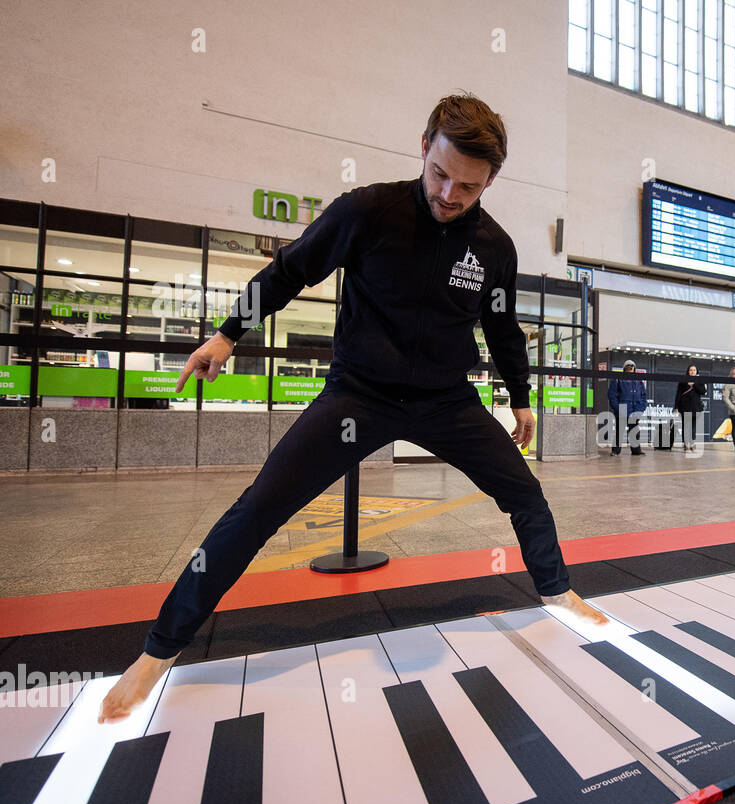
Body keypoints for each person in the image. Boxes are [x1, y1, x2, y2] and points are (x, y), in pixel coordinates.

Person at [100, 94, 610, 723]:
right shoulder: (369, 210)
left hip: (446, 401)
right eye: (440, 175)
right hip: (358, 396)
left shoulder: (494, 247)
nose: (450, 194)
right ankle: (159, 650)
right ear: (424, 148)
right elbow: (289, 270)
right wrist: (229, 333)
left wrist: (521, 398)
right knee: (259, 509)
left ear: (491, 181)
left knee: (525, 494)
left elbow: (503, 331)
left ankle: (558, 593)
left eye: (469, 186)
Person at [608, 358, 647, 455]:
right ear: (624, 369)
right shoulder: (618, 379)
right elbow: (612, 395)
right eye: (628, 368)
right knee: (619, 432)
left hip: (634, 411)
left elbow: (643, 396)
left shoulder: (638, 381)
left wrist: (640, 409)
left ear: (634, 369)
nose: (630, 369)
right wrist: (618, 408)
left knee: (634, 432)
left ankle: (636, 451)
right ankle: (615, 451)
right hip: (622, 410)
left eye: (631, 368)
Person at [674, 365, 706, 452]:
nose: (692, 372)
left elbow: (703, 391)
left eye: (694, 370)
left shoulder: (700, 381)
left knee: (693, 426)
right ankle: (686, 443)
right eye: (691, 370)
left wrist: (694, 384)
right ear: (688, 371)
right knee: (686, 426)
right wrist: (676, 406)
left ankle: (692, 442)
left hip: (695, 407)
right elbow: (678, 394)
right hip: (684, 406)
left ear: (697, 372)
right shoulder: (683, 381)